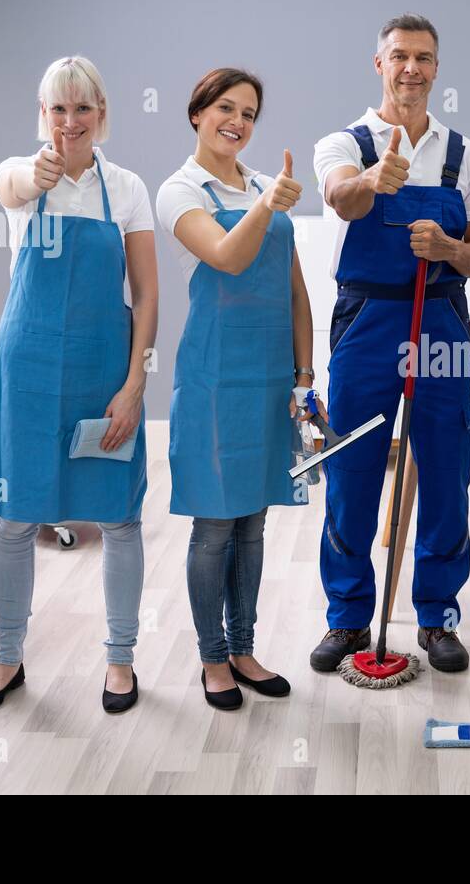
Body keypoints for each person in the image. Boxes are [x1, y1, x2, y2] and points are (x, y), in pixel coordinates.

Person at [0, 55, 159, 715]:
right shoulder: (22, 176)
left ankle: (120, 660)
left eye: (83, 108)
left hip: (102, 373)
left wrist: (134, 383)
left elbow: (148, 292)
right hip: (28, 371)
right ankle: (7, 657)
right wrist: (34, 173)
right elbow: (8, 183)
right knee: (16, 518)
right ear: (42, 115)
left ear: (101, 115)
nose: (70, 121)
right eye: (58, 108)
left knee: (118, 515)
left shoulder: (127, 188)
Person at [309, 14, 470, 674]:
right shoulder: (345, 141)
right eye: (399, 56)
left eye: (423, 57)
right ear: (378, 63)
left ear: (436, 68)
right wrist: (373, 181)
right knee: (353, 468)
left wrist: (450, 250)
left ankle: (438, 618)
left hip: (441, 320)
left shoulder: (463, 155)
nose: (411, 68)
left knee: (446, 469)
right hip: (366, 321)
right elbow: (339, 198)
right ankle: (348, 617)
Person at [156, 68, 315, 709]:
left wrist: (304, 376)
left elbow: (296, 290)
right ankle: (212, 658)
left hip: (272, 375)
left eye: (250, 113)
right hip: (215, 377)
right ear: (197, 112)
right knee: (215, 526)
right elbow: (224, 255)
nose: (239, 122)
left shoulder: (258, 185)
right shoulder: (179, 190)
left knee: (254, 522)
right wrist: (268, 203)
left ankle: (244, 647)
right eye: (227, 107)